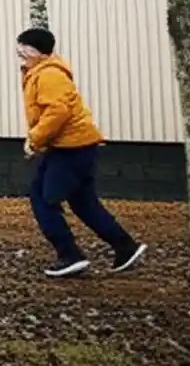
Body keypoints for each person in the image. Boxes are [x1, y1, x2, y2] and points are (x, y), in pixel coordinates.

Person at [17, 27, 148, 278]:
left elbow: (57, 111)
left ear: (37, 51)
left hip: (69, 148)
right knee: (83, 202)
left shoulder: (49, 75)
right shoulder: (41, 72)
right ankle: (125, 247)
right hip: (74, 146)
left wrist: (34, 140)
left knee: (43, 199)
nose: (19, 53)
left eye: (23, 48)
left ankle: (69, 255)